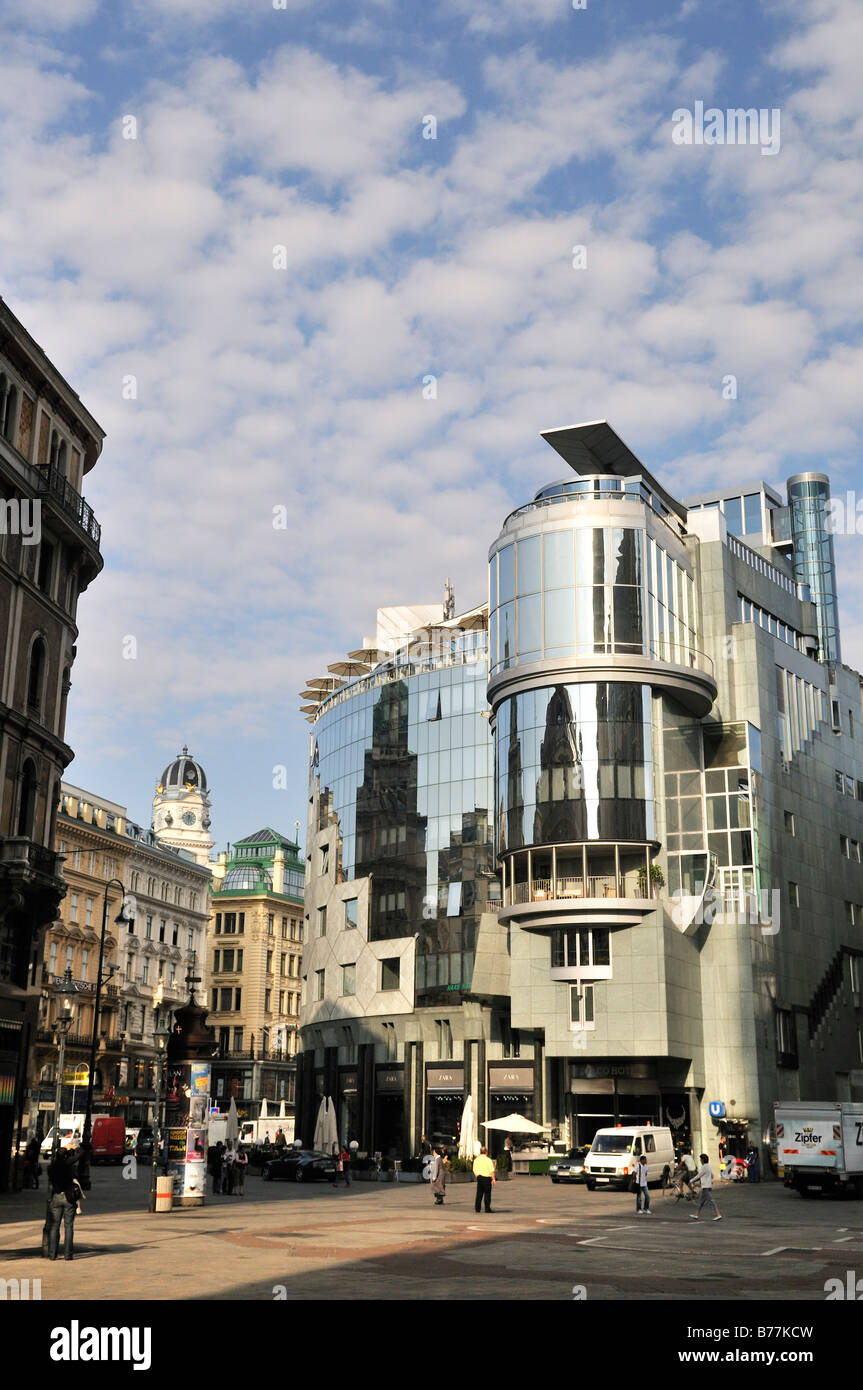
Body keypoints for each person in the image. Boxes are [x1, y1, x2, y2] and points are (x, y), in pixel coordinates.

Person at [46, 1145, 81, 1260]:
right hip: (68, 1197)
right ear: (65, 1156)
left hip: (56, 1196)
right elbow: (79, 1155)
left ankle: (52, 1254)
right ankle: (68, 1254)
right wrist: (77, 1149)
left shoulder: (52, 1167)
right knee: (69, 1226)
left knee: (54, 1226)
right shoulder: (68, 1164)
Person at [690, 1153, 723, 1221]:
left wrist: (691, 1180)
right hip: (708, 1186)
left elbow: (699, 1175)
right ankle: (696, 1215)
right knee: (701, 1202)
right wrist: (708, 1178)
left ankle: (718, 1214)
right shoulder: (708, 1166)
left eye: (700, 1159)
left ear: (702, 1160)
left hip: (705, 1187)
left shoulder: (704, 1167)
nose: (700, 1161)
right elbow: (712, 1176)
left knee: (711, 1201)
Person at [473, 1146, 496, 1213]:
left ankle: (477, 1208)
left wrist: (477, 1176)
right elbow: (491, 1171)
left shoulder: (476, 1160)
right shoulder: (488, 1160)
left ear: (480, 1152)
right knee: (487, 1194)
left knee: (479, 1193)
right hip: (487, 1178)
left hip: (479, 1177)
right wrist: (493, 1179)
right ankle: (487, 1208)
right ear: (486, 1152)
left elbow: (474, 1170)